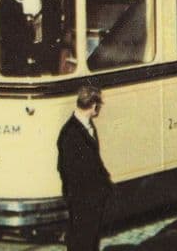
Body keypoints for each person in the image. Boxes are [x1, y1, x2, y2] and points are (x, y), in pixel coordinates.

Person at [57, 85, 113, 251]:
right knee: (82, 239)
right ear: (94, 106)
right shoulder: (70, 133)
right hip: (82, 197)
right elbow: (67, 169)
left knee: (91, 238)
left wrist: (105, 182)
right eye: (99, 105)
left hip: (91, 196)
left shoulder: (86, 126)